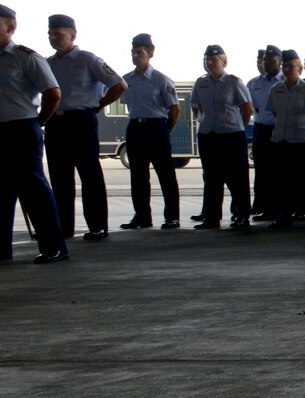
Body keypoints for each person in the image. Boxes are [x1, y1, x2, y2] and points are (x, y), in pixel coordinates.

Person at [0, 1, 70, 264]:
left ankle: (53, 245)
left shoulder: (26, 57)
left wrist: (38, 122)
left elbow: (52, 92)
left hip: (21, 130)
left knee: (33, 190)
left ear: (10, 28)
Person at [43, 15, 125, 242]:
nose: (53, 38)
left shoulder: (88, 59)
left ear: (73, 35)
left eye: (58, 34)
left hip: (81, 121)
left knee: (90, 176)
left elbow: (119, 85)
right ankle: (63, 227)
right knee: (60, 178)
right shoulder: (47, 63)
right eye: (50, 34)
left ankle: (97, 226)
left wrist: (99, 105)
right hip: (55, 123)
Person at [117, 34, 183, 231]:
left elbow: (175, 110)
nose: (135, 56)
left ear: (150, 53)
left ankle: (172, 216)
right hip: (135, 127)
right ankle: (142, 216)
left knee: (166, 174)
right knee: (137, 175)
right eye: (133, 53)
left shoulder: (162, 80)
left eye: (140, 53)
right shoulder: (126, 79)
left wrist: (164, 130)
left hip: (156, 127)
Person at [189, 44, 253, 229]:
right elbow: (194, 104)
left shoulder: (234, 82)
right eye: (208, 59)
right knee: (211, 177)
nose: (211, 62)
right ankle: (212, 217)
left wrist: (237, 125)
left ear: (224, 61)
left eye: (215, 59)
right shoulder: (201, 83)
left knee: (237, 177)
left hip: (231, 135)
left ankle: (242, 215)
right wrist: (203, 119)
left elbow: (246, 108)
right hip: (208, 135)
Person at [266, 51, 305, 227]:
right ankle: (284, 216)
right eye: (284, 66)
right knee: (283, 180)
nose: (286, 70)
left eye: (291, 66)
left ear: (299, 68)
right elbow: (274, 112)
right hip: (282, 140)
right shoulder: (276, 89)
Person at [247, 46, 283, 220]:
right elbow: (253, 107)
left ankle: (283, 210)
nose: (267, 64)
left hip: (280, 130)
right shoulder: (256, 84)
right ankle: (266, 209)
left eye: (271, 61)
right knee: (262, 172)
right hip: (261, 129)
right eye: (265, 61)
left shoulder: (286, 81)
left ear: (280, 62)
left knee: (280, 172)